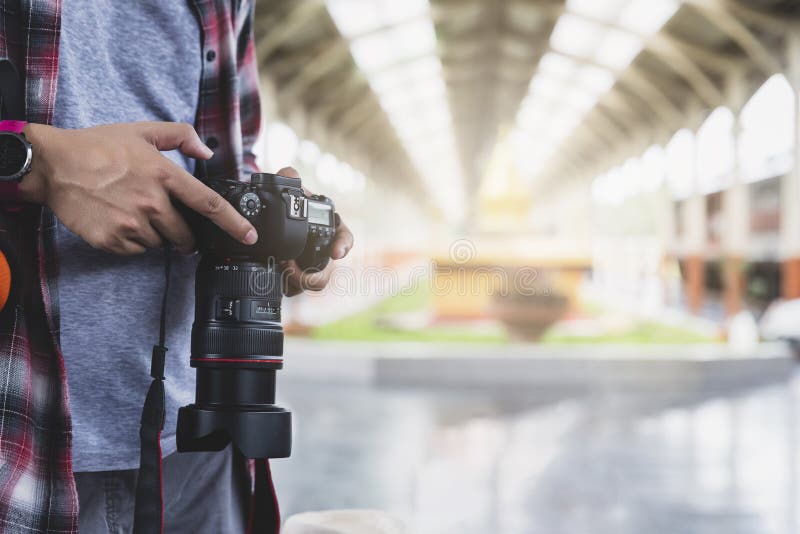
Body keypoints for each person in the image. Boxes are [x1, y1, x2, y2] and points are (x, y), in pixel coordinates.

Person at [0, 1, 354, 532]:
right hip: (23, 440)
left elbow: (231, 156)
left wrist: (280, 219)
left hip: (203, 434)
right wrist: (36, 161)